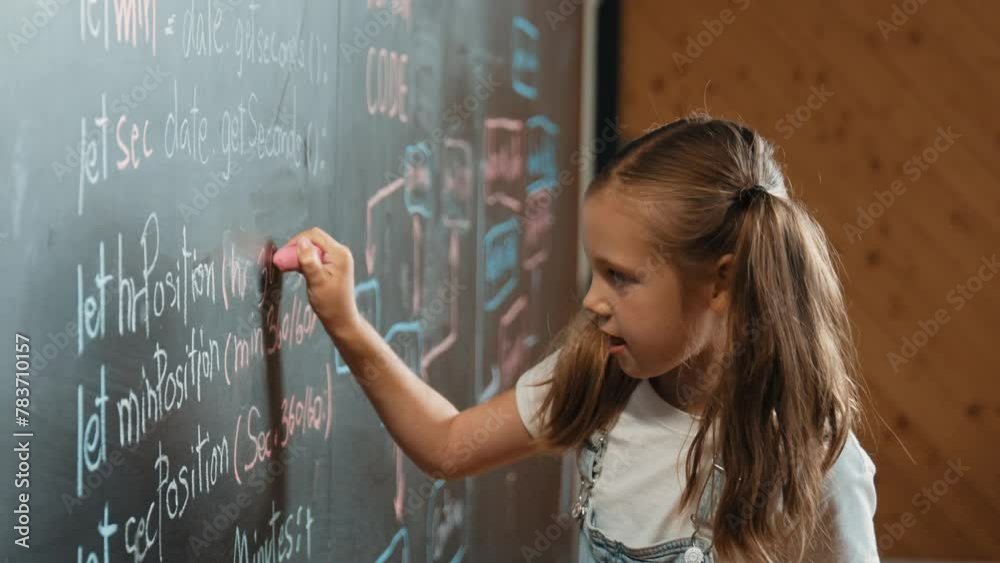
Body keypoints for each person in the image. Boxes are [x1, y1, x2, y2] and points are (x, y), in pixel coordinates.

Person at [282, 115, 880, 562]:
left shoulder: (813, 462)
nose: (593, 300)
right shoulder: (600, 372)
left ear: (719, 283)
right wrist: (345, 322)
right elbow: (447, 446)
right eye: (596, 270)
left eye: (621, 278)